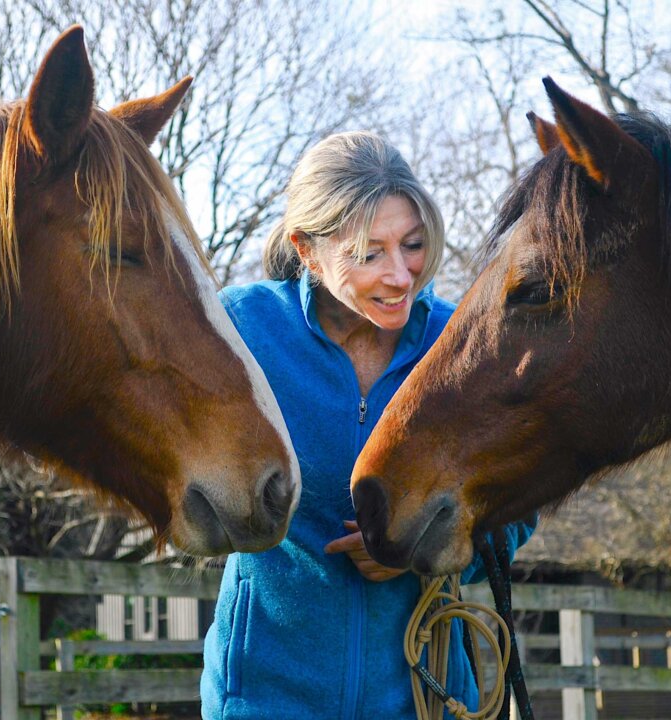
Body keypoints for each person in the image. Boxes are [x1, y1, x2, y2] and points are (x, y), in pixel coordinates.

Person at [201, 131, 536, 719]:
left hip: (423, 697)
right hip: (265, 697)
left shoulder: (459, 343)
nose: (401, 276)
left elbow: (517, 506)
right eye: (369, 253)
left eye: (412, 245)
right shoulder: (241, 330)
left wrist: (422, 551)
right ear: (307, 250)